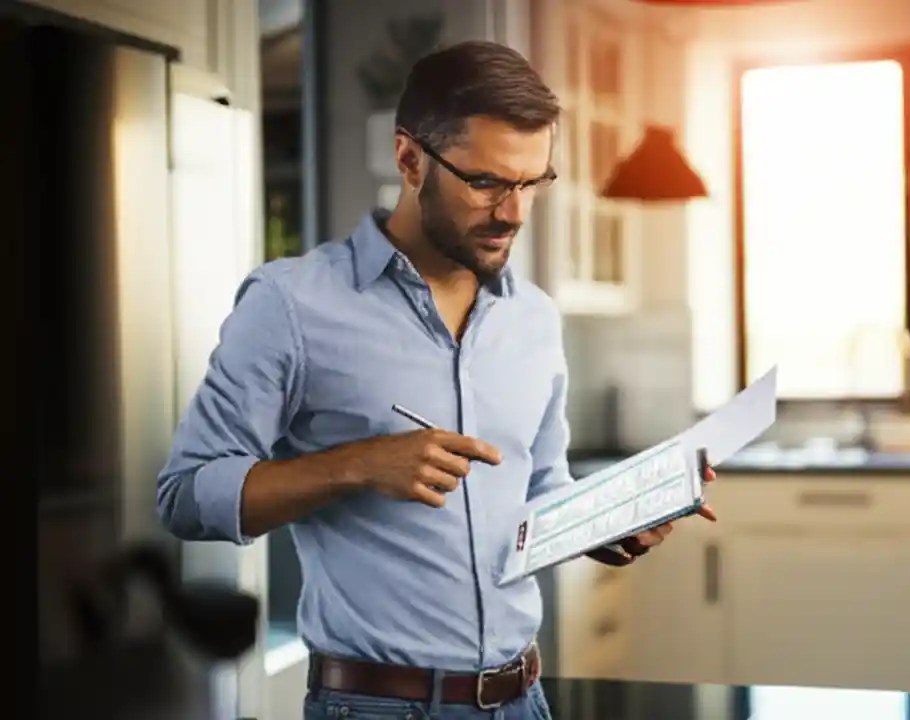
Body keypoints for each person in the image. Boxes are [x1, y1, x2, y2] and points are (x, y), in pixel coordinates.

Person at [155, 40, 715, 719]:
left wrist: (608, 523)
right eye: (485, 182)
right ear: (409, 159)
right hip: (376, 708)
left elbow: (539, 489)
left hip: (523, 700)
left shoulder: (534, 319)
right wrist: (357, 465)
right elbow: (184, 495)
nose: (512, 212)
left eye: (532, 183)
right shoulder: (290, 304)